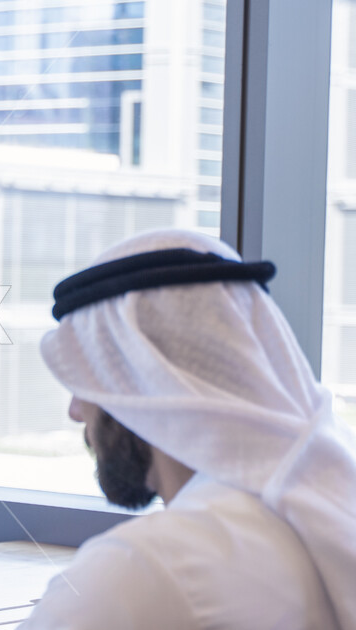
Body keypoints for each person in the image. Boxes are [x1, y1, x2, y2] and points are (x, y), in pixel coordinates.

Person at [21, 229, 356, 629]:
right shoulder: (334, 503)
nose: (76, 411)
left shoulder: (140, 570)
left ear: (140, 378)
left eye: (85, 381)